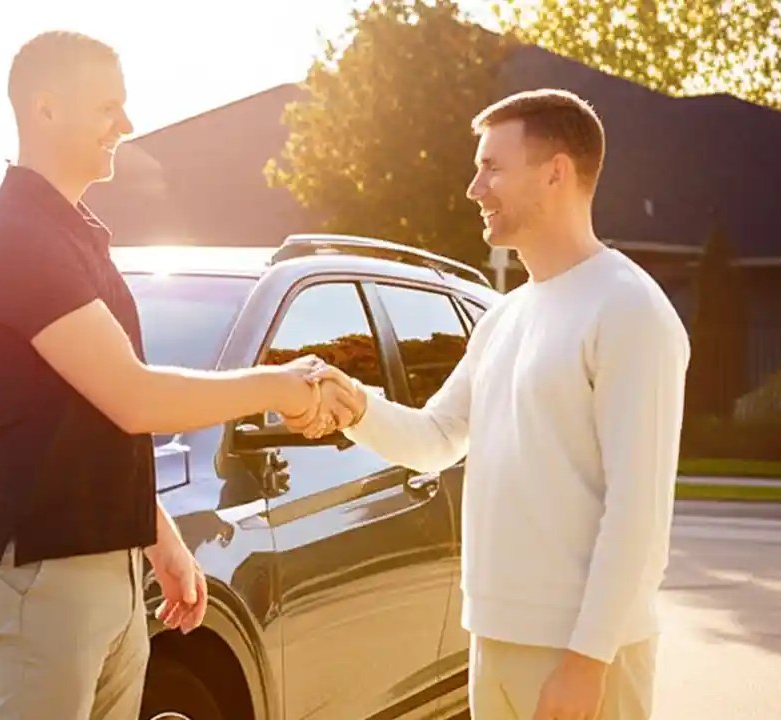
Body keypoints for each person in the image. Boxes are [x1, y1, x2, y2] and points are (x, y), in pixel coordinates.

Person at [0, 31, 355, 720]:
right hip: (48, 572)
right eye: (108, 107)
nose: (127, 125)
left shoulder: (71, 234)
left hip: (105, 565)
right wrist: (277, 386)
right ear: (46, 110)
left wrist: (158, 538)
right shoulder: (18, 237)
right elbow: (136, 396)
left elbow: (100, 419)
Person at [292, 89, 690, 720]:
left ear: (555, 172)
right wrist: (355, 403)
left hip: (579, 656)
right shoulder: (504, 316)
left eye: (492, 167)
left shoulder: (629, 309)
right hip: (495, 640)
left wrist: (587, 664)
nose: (475, 188)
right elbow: (436, 438)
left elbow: (638, 512)